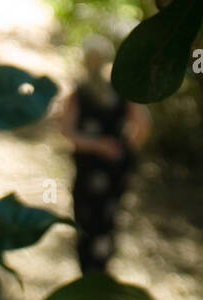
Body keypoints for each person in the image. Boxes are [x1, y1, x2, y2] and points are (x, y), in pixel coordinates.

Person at [60, 36, 150, 277]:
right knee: (107, 221)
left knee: (87, 221)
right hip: (114, 167)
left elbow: (67, 131)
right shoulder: (121, 89)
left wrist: (96, 145)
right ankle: (100, 274)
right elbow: (143, 125)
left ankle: (90, 274)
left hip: (90, 168)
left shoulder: (80, 91)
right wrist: (123, 147)